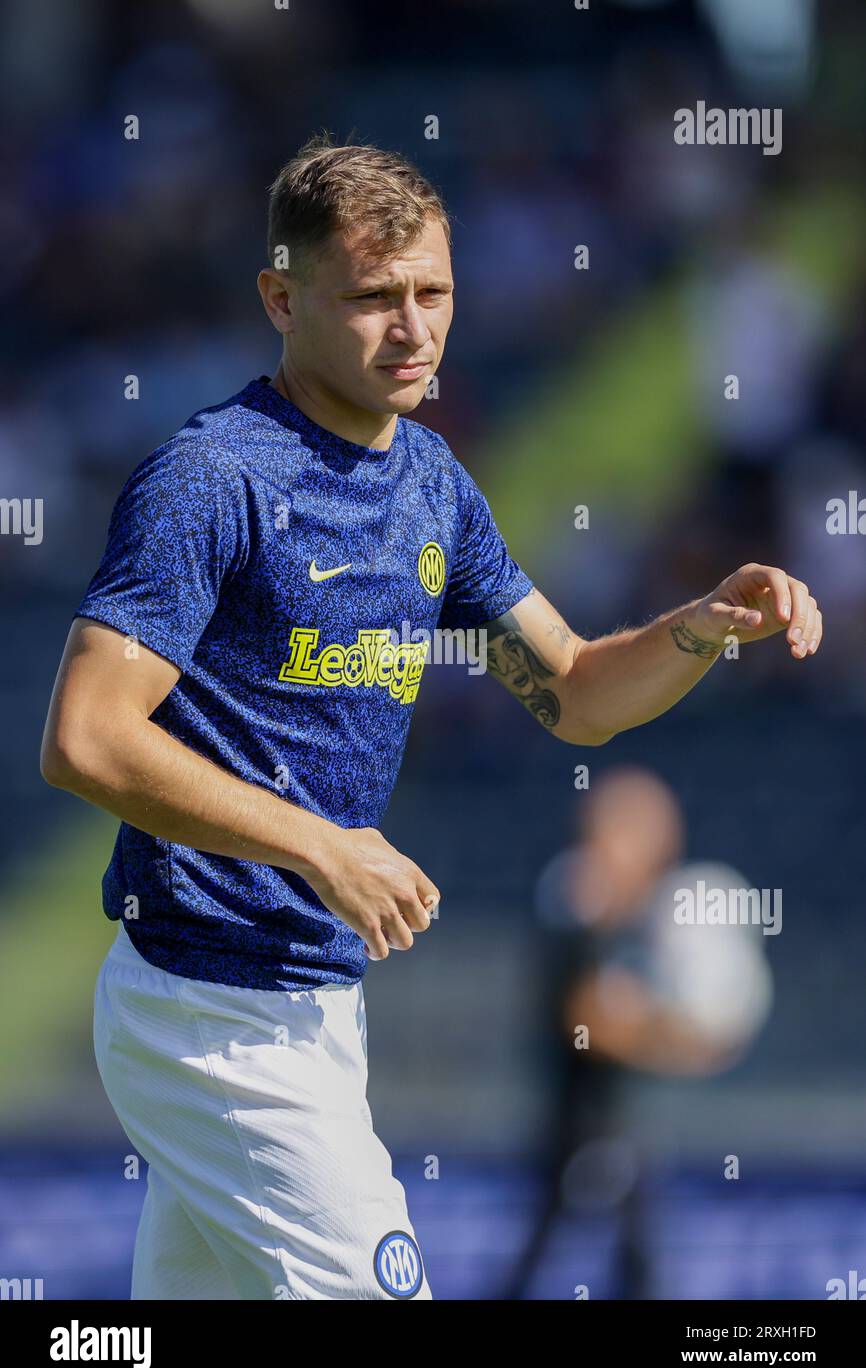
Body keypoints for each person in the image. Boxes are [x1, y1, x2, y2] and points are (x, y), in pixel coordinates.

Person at [40, 134, 822, 1301]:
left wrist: (700, 624)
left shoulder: (432, 483)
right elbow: (85, 736)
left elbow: (574, 690)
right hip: (206, 1006)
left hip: (311, 1007)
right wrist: (318, 844)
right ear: (279, 297)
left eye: (433, 292)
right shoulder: (213, 476)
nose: (412, 328)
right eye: (371, 298)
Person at [506, 767, 772, 1300]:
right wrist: (687, 1046)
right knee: (574, 1258)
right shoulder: (575, 903)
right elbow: (588, 1019)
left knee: (625, 1263)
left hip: (620, 1123)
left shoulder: (643, 916)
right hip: (585, 1124)